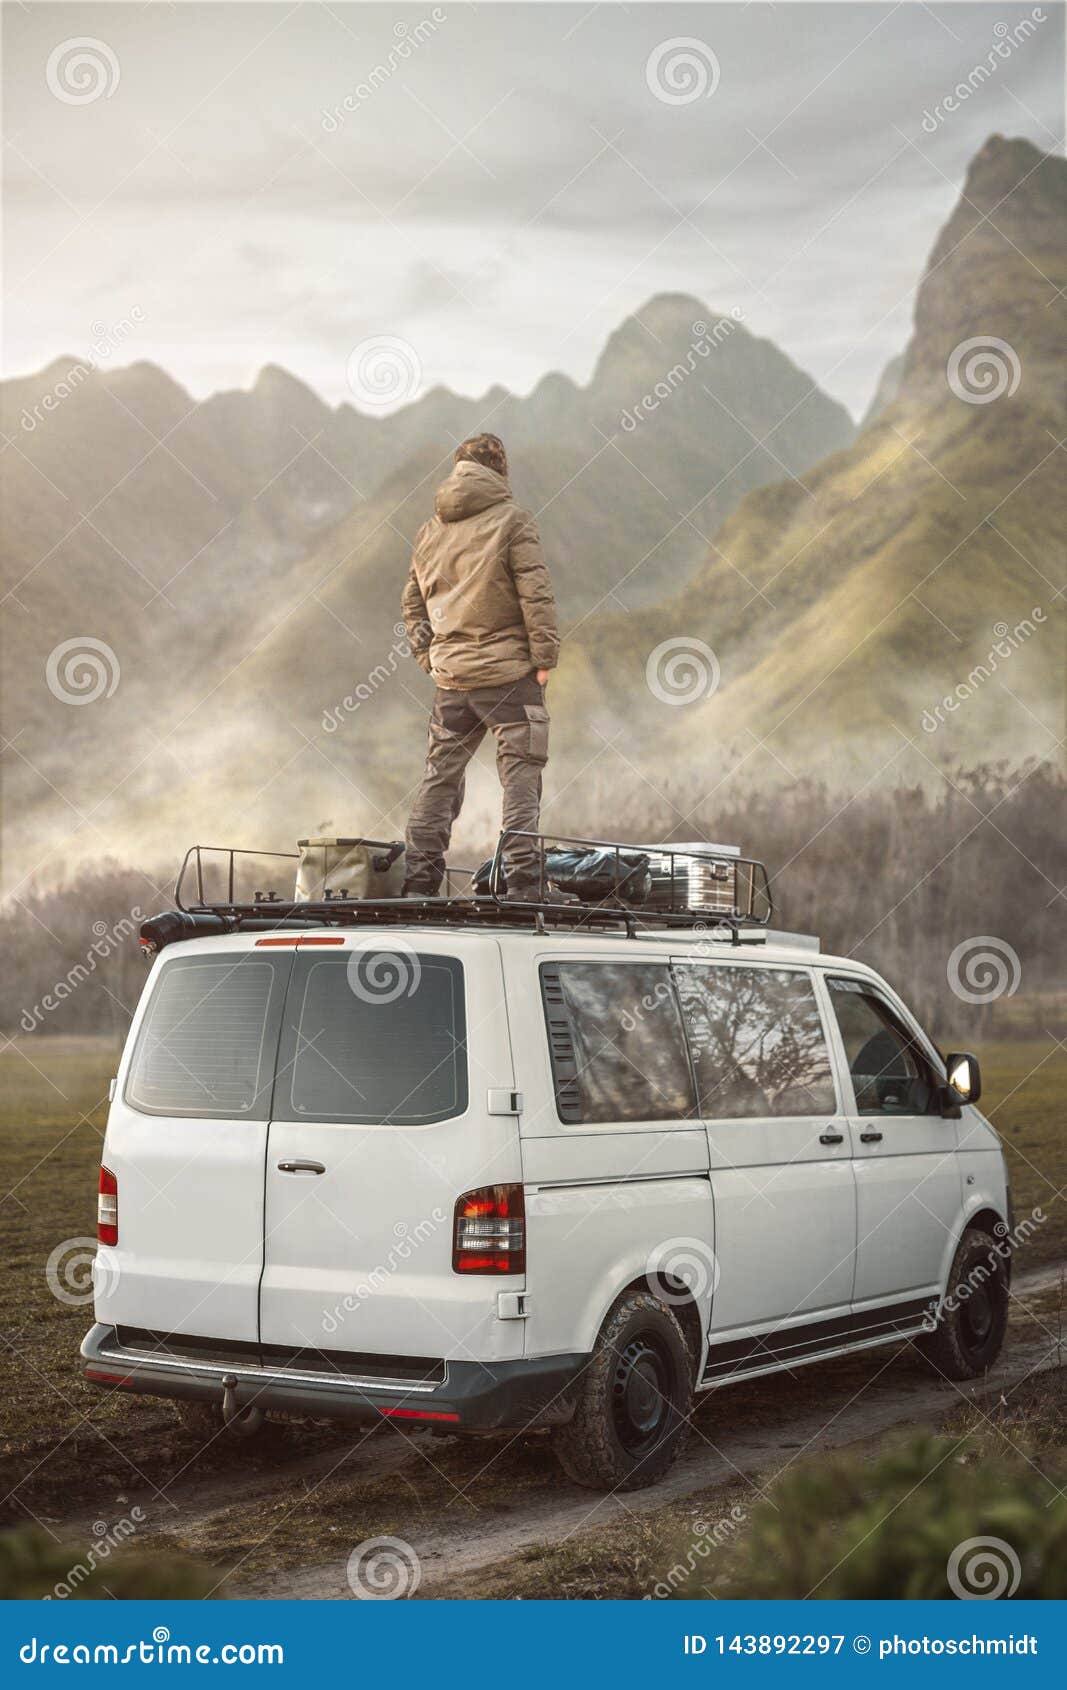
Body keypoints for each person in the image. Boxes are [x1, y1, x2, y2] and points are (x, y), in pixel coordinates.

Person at [400, 432, 559, 900]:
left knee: (439, 779)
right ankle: (525, 884)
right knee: (521, 777)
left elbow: (412, 604)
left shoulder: (430, 530)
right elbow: (536, 594)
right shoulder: (513, 521)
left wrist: (430, 656)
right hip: (510, 676)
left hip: (451, 681)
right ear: (500, 470)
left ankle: (418, 882)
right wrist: (544, 659)